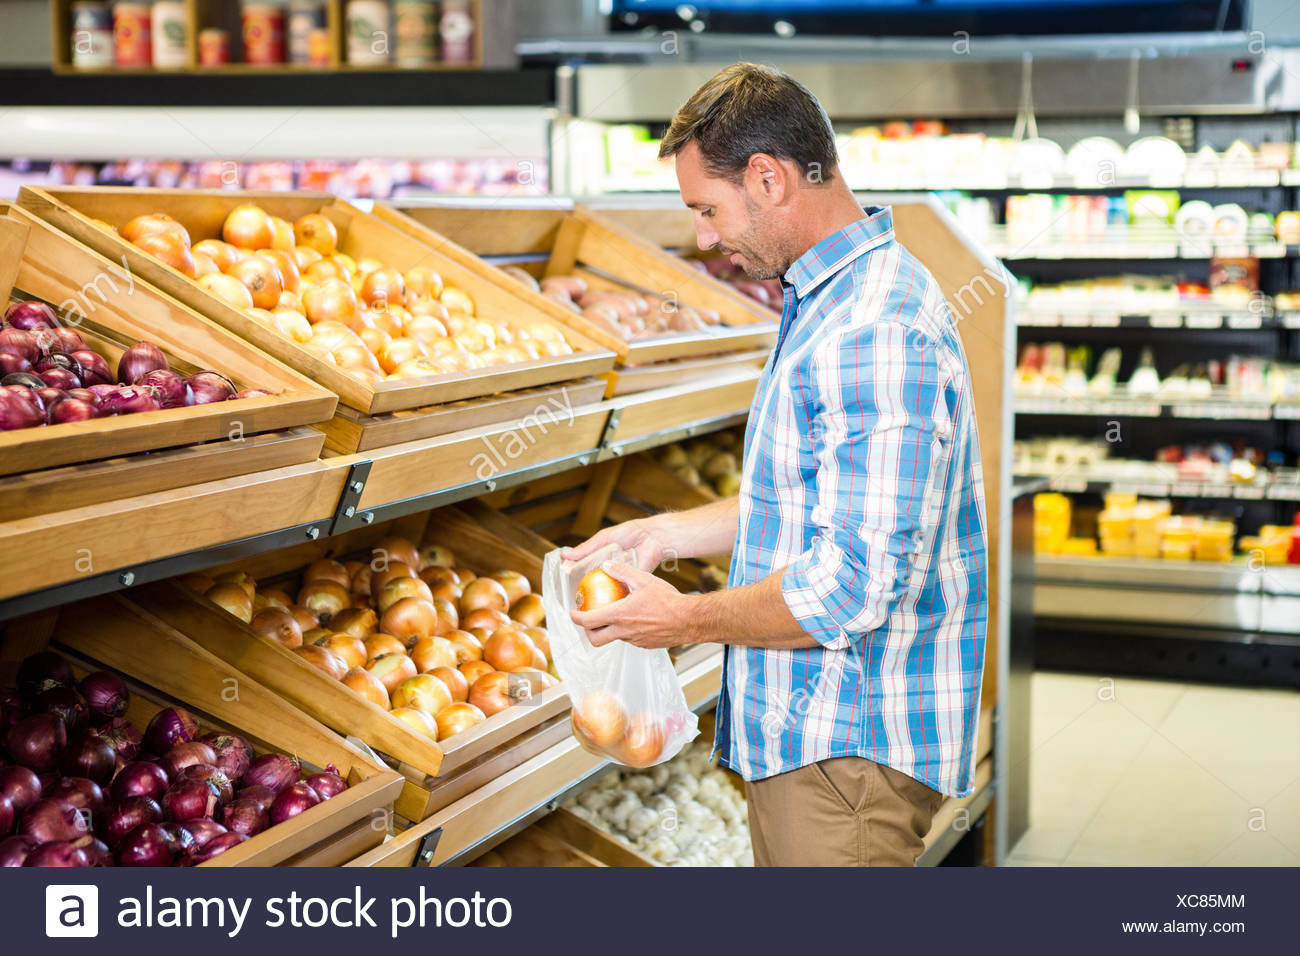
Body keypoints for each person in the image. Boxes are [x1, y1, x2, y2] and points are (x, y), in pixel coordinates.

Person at [565, 62, 988, 867]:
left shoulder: (875, 328)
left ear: (768, 177)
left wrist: (682, 620)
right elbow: (806, 497)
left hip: (845, 756)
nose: (705, 238)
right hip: (818, 742)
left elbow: (853, 582)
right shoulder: (832, 296)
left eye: (708, 209)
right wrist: (669, 532)